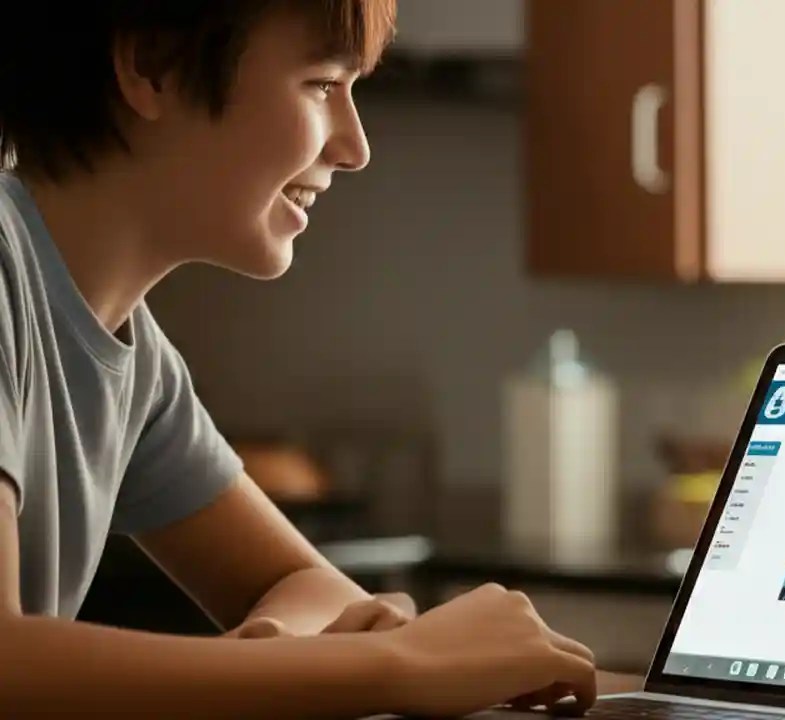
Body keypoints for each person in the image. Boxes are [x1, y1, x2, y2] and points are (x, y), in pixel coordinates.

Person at [0, 1, 597, 716]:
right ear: (152, 64)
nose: (355, 145)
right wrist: (392, 663)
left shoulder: (135, 359)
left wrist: (286, 645)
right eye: (321, 85)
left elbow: (301, 584)